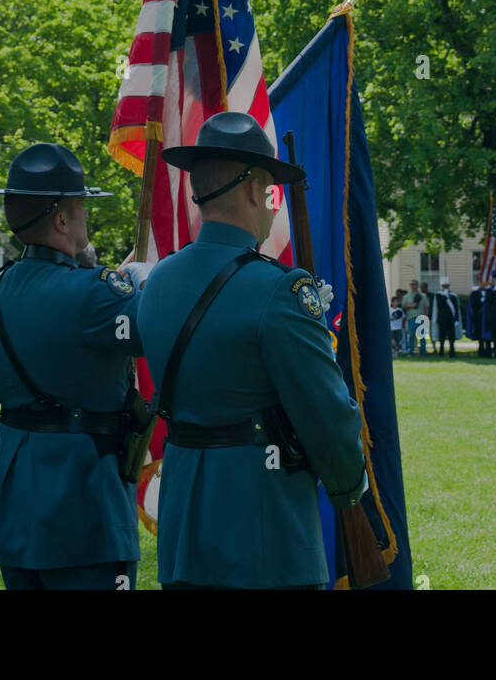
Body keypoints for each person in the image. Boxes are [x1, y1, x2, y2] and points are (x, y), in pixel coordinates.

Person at [137, 111, 366, 590]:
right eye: (269, 191)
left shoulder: (158, 281)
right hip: (264, 540)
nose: (271, 205)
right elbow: (326, 414)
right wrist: (349, 487)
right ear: (248, 189)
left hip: (184, 536)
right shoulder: (279, 290)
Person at [0, 142, 150, 590]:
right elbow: (158, 332)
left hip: (17, 505)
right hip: (82, 504)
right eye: (81, 210)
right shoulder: (94, 294)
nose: (86, 220)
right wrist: (144, 280)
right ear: (60, 219)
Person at [431, 278, 461, 358]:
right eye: (444, 286)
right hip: (442, 319)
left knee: (451, 337)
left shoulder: (453, 295)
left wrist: (456, 319)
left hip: (451, 319)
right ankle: (441, 351)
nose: (445, 287)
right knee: (442, 337)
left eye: (446, 286)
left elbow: (456, 308)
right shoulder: (439, 295)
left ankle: (452, 351)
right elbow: (440, 306)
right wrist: (445, 296)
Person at [467, 282, 492, 357]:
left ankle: (488, 351)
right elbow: (473, 306)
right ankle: (481, 351)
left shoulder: (490, 292)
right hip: (479, 317)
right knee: (480, 336)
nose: (483, 285)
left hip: (488, 318)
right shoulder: (475, 293)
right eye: (482, 283)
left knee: (488, 335)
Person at [401, 280, 421, 355]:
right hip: (411, 317)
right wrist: (410, 305)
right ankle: (411, 351)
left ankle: (423, 352)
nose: (413, 286)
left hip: (421, 317)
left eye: (415, 284)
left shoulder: (422, 295)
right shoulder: (406, 296)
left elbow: (427, 306)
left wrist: (426, 316)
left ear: (417, 285)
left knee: (422, 336)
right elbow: (403, 306)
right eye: (412, 284)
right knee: (411, 335)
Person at [390, 294, 405, 358]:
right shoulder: (389, 310)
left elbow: (403, 317)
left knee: (398, 341)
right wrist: (393, 318)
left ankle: (396, 353)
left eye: (397, 302)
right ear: (392, 302)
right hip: (391, 328)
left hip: (398, 328)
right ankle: (393, 353)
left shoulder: (400, 310)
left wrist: (402, 325)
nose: (396, 303)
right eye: (394, 302)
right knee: (392, 341)